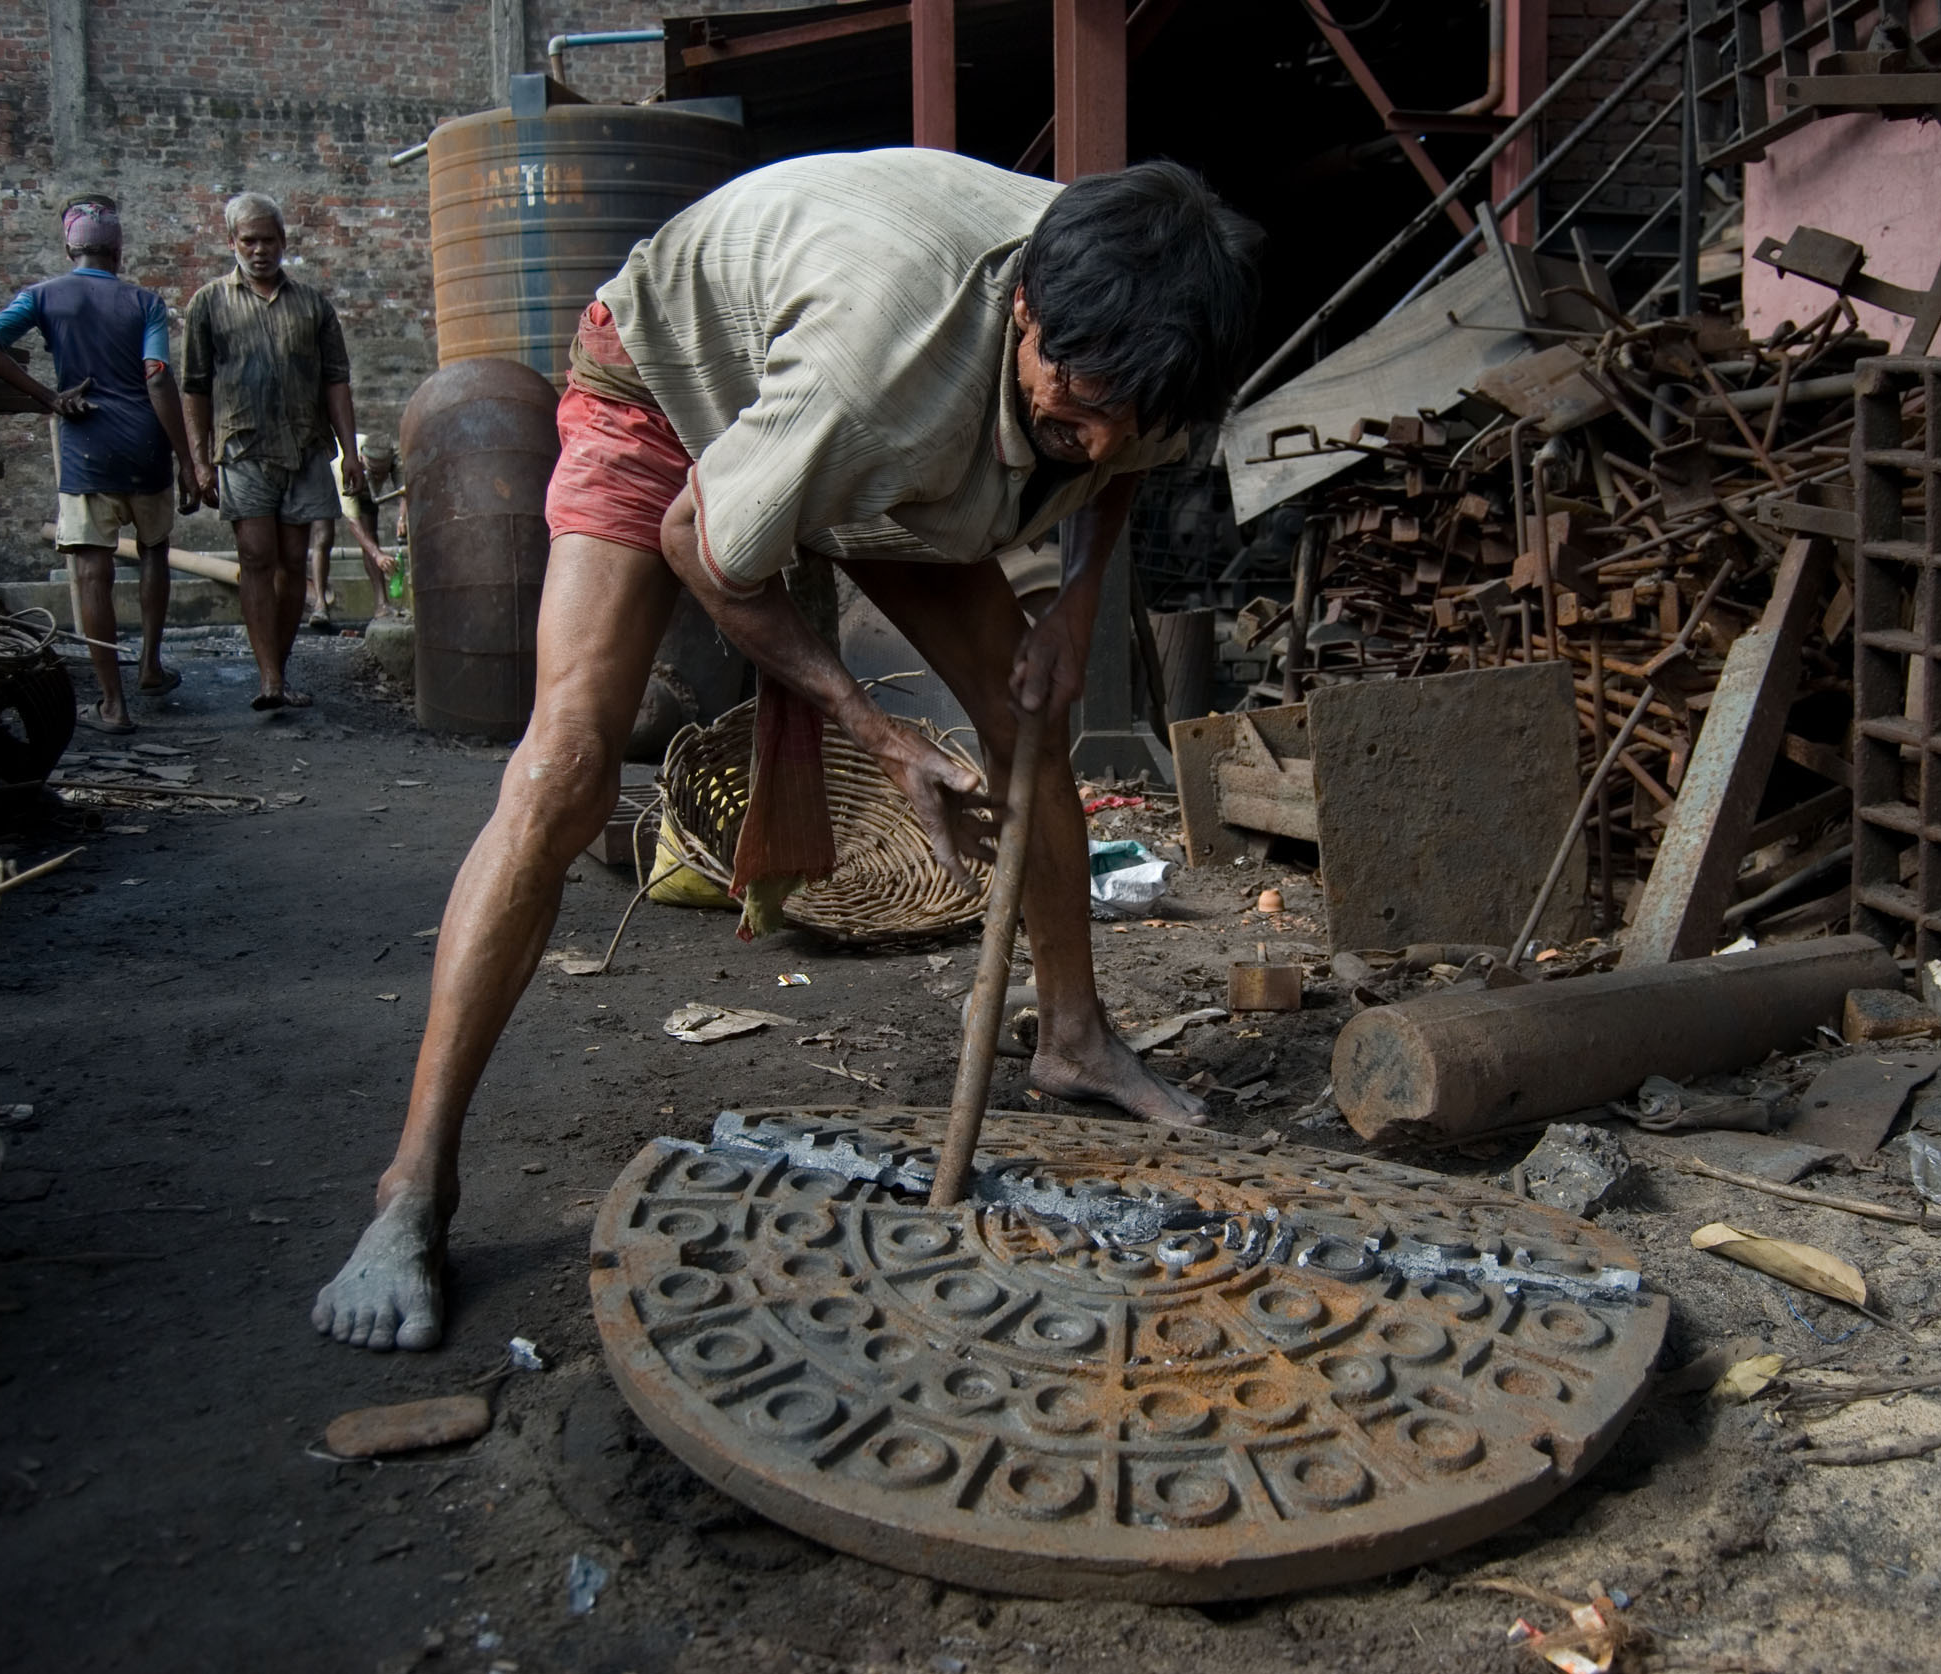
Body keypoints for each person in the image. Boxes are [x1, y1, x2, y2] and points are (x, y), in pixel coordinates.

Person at [314, 149, 1261, 1352]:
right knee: (562, 770)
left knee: (1031, 721)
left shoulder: (1143, 334)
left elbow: (1118, 454)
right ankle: (413, 1186)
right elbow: (701, 547)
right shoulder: (880, 372)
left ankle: (1074, 1040)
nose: (1092, 446)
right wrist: (876, 731)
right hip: (673, 387)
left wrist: (1073, 607)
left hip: (891, 435)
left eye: (1123, 424)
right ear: (1024, 310)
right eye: (1070, 412)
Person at [0, 195, 198, 734]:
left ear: (69, 246)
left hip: (85, 444)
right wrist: (186, 459)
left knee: (91, 569)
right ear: (118, 250)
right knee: (154, 551)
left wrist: (48, 397)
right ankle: (150, 667)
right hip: (145, 446)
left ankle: (113, 706)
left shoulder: (43, 296)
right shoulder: (144, 302)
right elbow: (158, 376)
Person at [179, 192, 368, 710]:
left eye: (269, 240)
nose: (259, 250)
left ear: (284, 243)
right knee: (255, 557)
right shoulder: (209, 304)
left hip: (305, 446)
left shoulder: (312, 306)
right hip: (243, 448)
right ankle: (267, 678)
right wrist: (198, 461)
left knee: (291, 560)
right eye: (249, 241)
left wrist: (349, 453)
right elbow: (194, 387)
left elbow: (336, 381)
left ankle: (278, 671)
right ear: (233, 243)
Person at [338, 431, 405, 618]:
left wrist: (402, 518)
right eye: (375, 474)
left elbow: (404, 492)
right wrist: (377, 555)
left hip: (366, 491)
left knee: (372, 538)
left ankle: (382, 605)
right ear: (362, 459)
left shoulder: (394, 457)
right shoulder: (344, 464)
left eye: (383, 474)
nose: (379, 479)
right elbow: (353, 523)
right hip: (338, 482)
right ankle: (320, 604)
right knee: (323, 536)